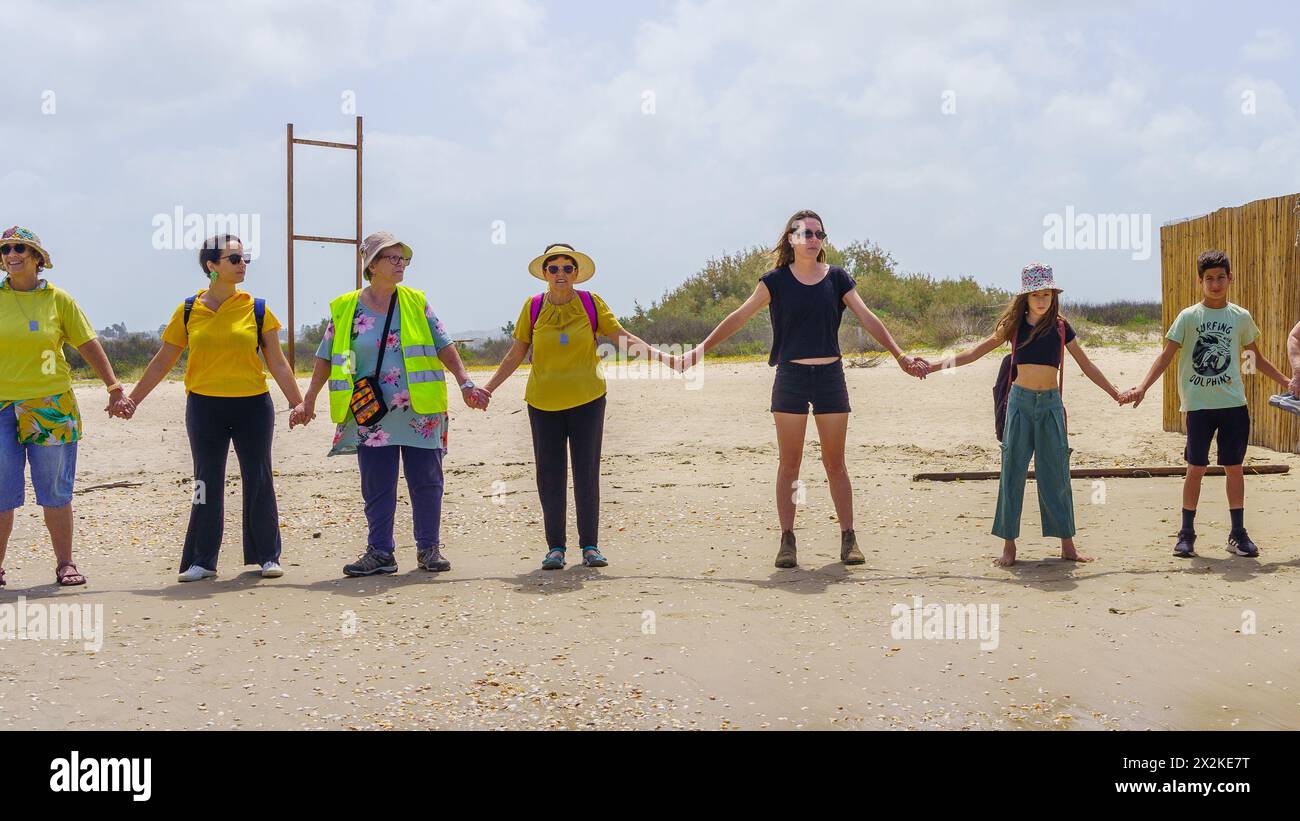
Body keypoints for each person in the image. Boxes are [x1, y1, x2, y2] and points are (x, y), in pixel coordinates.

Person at [678, 210, 928, 569]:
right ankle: (787, 540)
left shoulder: (838, 278)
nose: (813, 239)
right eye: (806, 234)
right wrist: (700, 350)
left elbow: (867, 316)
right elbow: (739, 316)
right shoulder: (774, 281)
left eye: (819, 234)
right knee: (789, 464)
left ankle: (848, 537)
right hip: (791, 379)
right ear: (792, 238)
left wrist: (899, 355)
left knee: (835, 463)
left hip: (830, 378)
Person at [295, 231, 486, 577]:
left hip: (420, 409)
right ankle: (380, 551)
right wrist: (308, 400)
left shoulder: (416, 301)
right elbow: (325, 356)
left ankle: (429, 549)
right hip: (371, 411)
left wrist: (465, 382)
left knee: (427, 480)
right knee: (377, 483)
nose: (401, 265)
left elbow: (444, 344)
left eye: (404, 259)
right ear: (372, 265)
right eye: (393, 258)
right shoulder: (345, 308)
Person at [480, 242, 676, 570]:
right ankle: (555, 547)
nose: (560, 274)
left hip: (588, 401)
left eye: (567, 268)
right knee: (550, 475)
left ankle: (590, 546)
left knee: (586, 473)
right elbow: (516, 353)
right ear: (544, 273)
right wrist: (486, 389)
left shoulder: (590, 303)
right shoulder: (532, 307)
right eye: (553, 268)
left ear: (576, 273)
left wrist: (668, 359)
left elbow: (623, 338)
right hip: (543, 403)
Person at [121, 234, 304, 581]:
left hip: (252, 406)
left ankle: (268, 556)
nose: (242, 264)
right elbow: (163, 361)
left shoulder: (258, 308)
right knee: (205, 482)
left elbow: (278, 363)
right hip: (204, 407)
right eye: (234, 259)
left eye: (244, 258)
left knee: (259, 477)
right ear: (212, 265)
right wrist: (133, 399)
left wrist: (298, 403)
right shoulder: (189, 309)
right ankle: (202, 561)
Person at [930, 263, 1123, 566]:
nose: (1042, 300)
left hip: (1050, 406)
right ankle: (1009, 546)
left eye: (1046, 294)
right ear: (1026, 297)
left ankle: (1068, 546)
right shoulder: (1014, 326)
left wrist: (1115, 393)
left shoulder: (1061, 327)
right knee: (1012, 474)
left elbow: (1086, 365)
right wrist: (934, 366)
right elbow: (975, 352)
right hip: (1019, 404)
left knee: (1056, 475)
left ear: (1052, 295)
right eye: (1036, 295)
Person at [1120, 249, 1290, 558]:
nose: (1215, 284)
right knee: (1195, 468)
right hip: (1198, 406)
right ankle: (1187, 533)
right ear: (1200, 281)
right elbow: (1166, 356)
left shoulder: (1240, 317)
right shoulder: (1188, 317)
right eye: (1209, 279)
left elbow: (1255, 359)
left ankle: (1237, 534)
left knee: (1234, 468)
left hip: (1233, 405)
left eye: (1220, 278)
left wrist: (1288, 383)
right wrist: (1143, 387)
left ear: (1230, 279)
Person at [0, 226, 128, 587]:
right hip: (1, 407)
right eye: (7, 249)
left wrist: (114, 386)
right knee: (0, 491)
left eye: (21, 248)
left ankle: (65, 563)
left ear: (37, 258)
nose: (13, 254)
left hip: (51, 406)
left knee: (55, 490)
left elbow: (87, 344)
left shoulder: (59, 300)